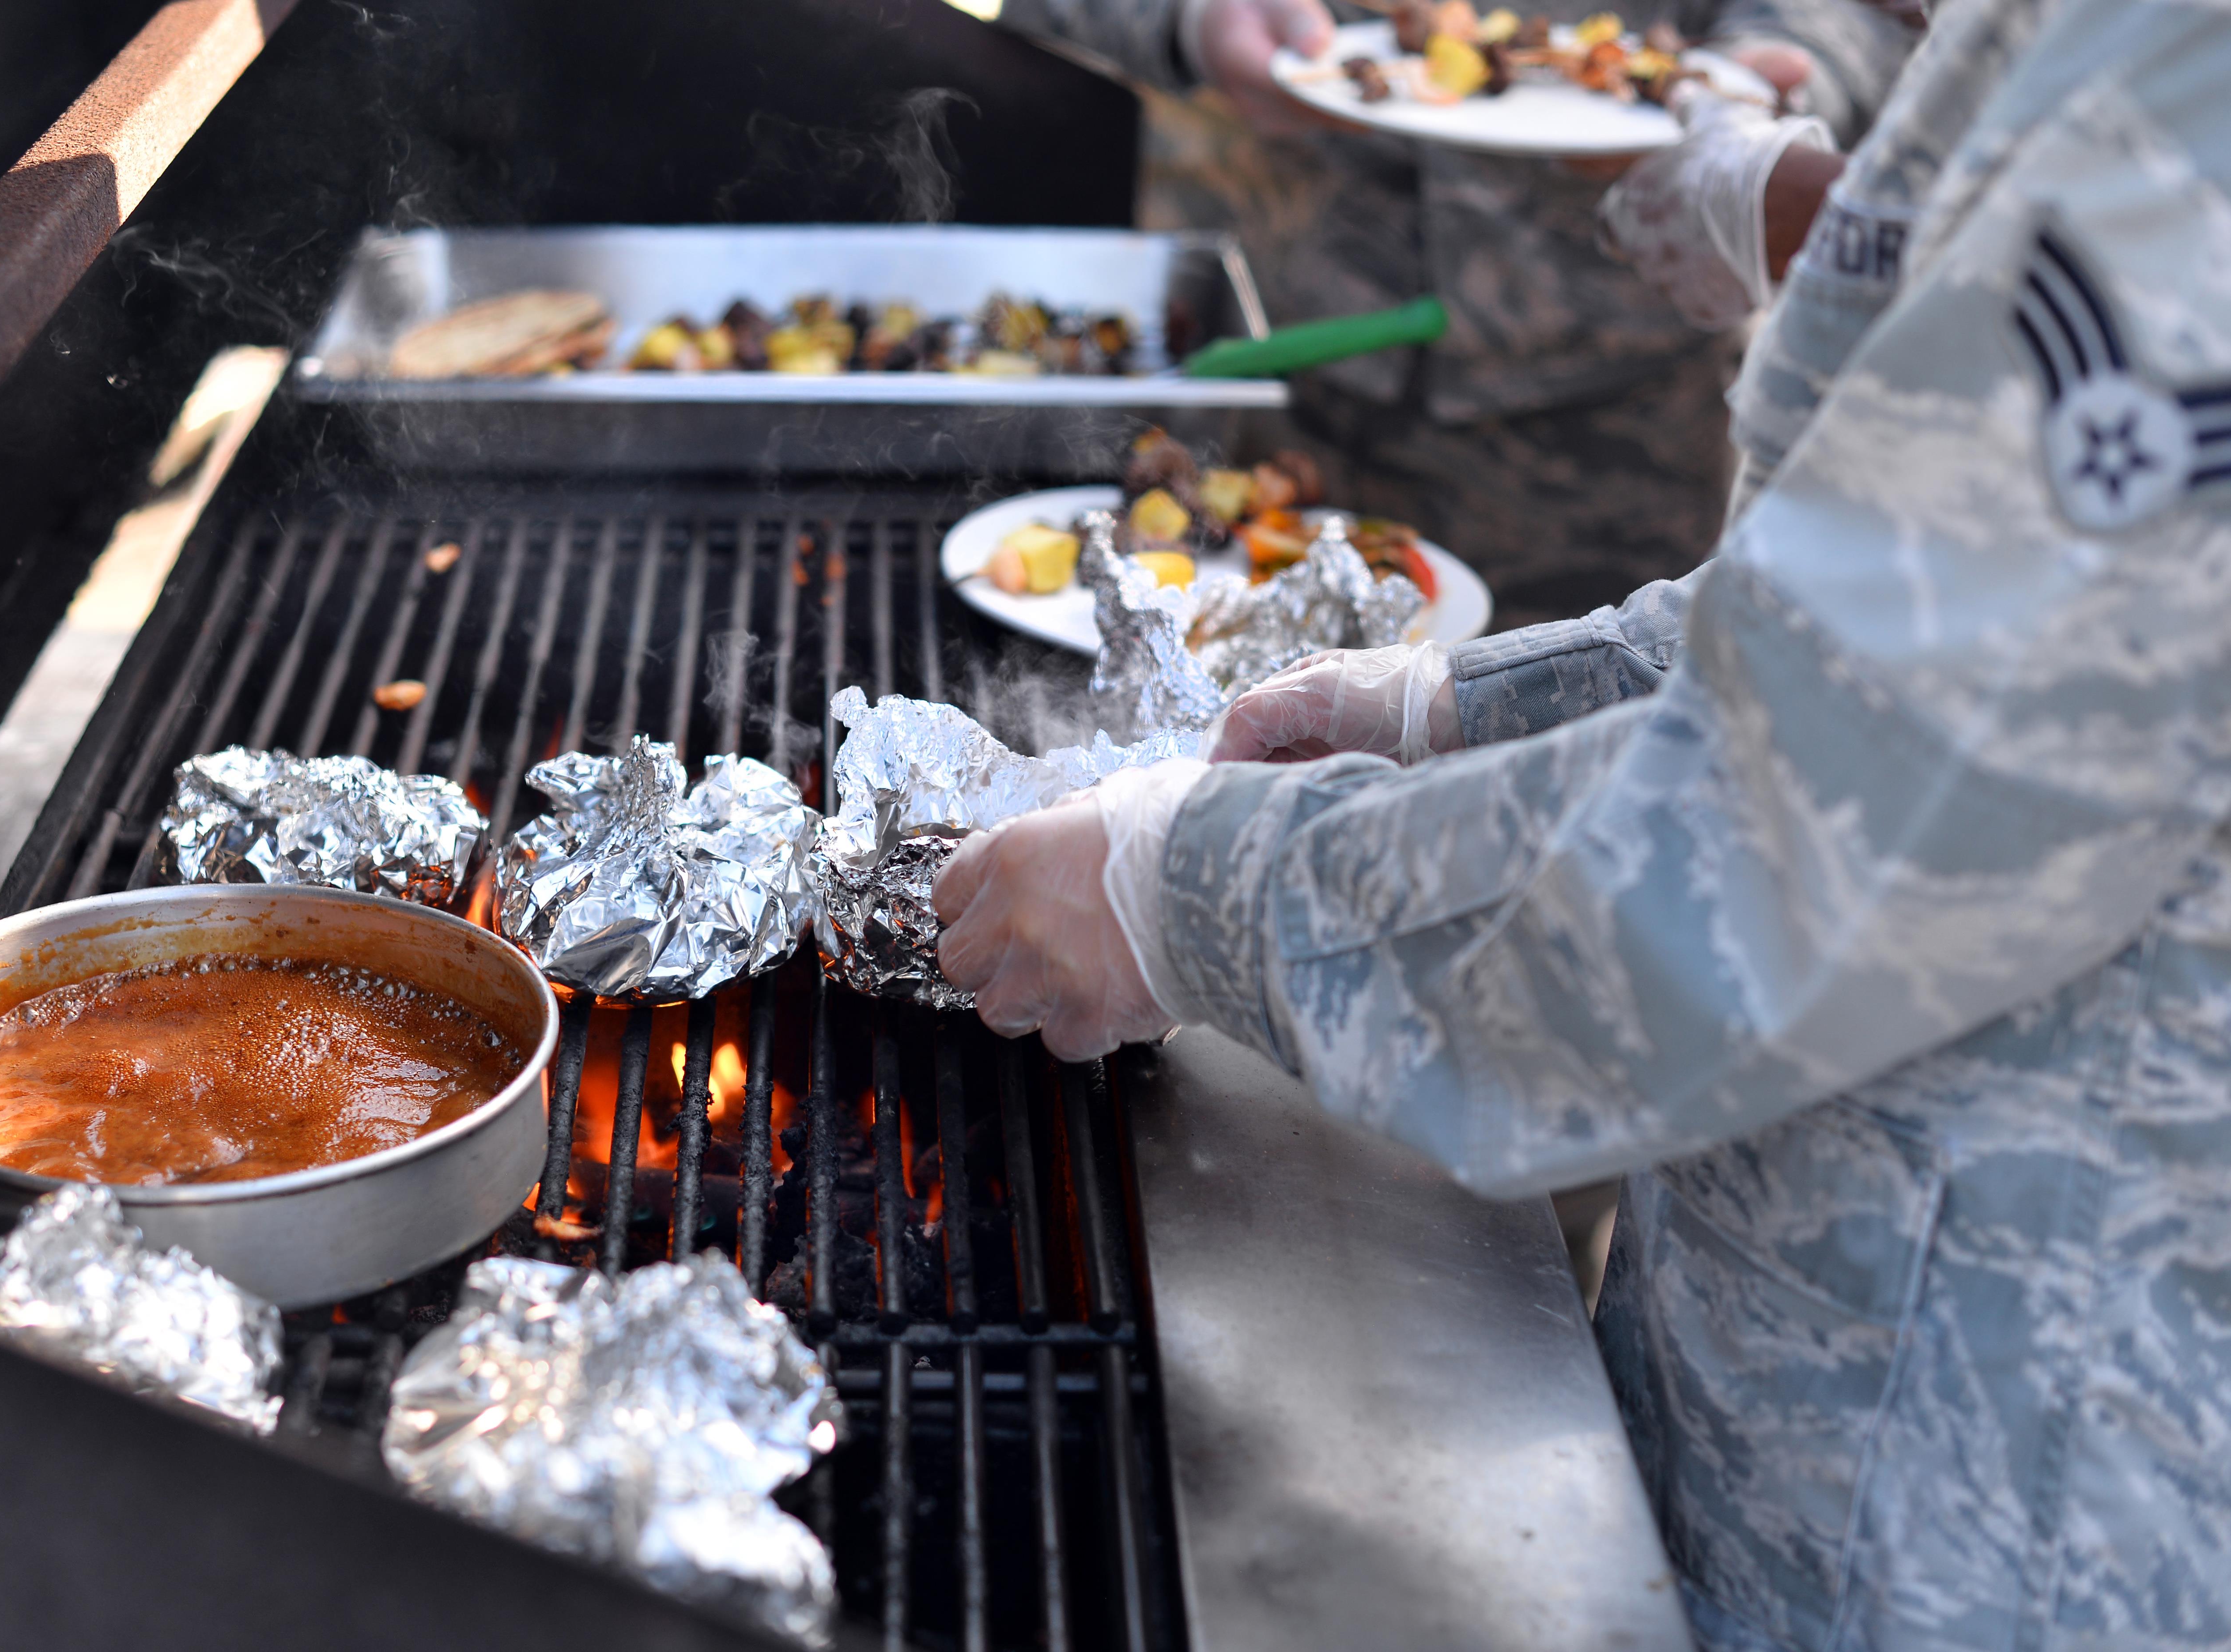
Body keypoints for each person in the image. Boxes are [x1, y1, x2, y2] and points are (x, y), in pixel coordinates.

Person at [935, 0, 2231, 1642]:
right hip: (1826, 1344)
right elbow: (1901, 620)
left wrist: (1182, 897)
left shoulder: (2178, 93)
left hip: (1995, 1488)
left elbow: (1777, 855)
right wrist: (1469, 703)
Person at [993, 0, 1917, 626]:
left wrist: (1775, 86)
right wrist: (1190, 22)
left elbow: (1871, 17)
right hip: (1272, 368)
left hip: (1614, 421)